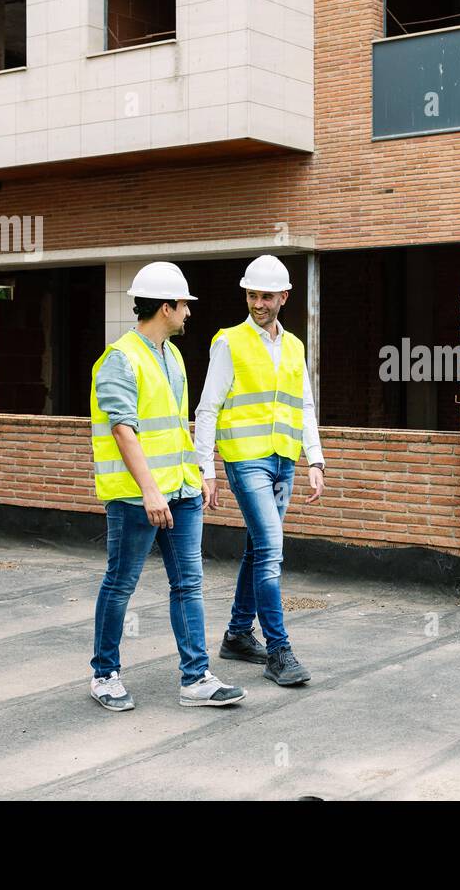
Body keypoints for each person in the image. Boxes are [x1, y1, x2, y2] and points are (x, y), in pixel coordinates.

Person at [88, 261, 246, 711]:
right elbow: (123, 430)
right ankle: (104, 674)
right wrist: (150, 491)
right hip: (136, 498)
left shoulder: (172, 356)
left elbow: (177, 426)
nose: (189, 314)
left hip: (182, 492)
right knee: (121, 583)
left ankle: (195, 679)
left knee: (189, 584)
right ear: (165, 307)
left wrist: (198, 474)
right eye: (184, 306)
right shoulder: (120, 358)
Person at [194, 254, 326, 687]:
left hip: (283, 459)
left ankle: (236, 635)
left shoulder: (293, 346)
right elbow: (208, 407)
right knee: (271, 550)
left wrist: (315, 458)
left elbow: (304, 404)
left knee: (257, 549)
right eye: (252, 295)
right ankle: (279, 651)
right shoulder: (228, 342)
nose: (257, 303)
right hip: (245, 460)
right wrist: (206, 467)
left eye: (266, 296)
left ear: (283, 297)